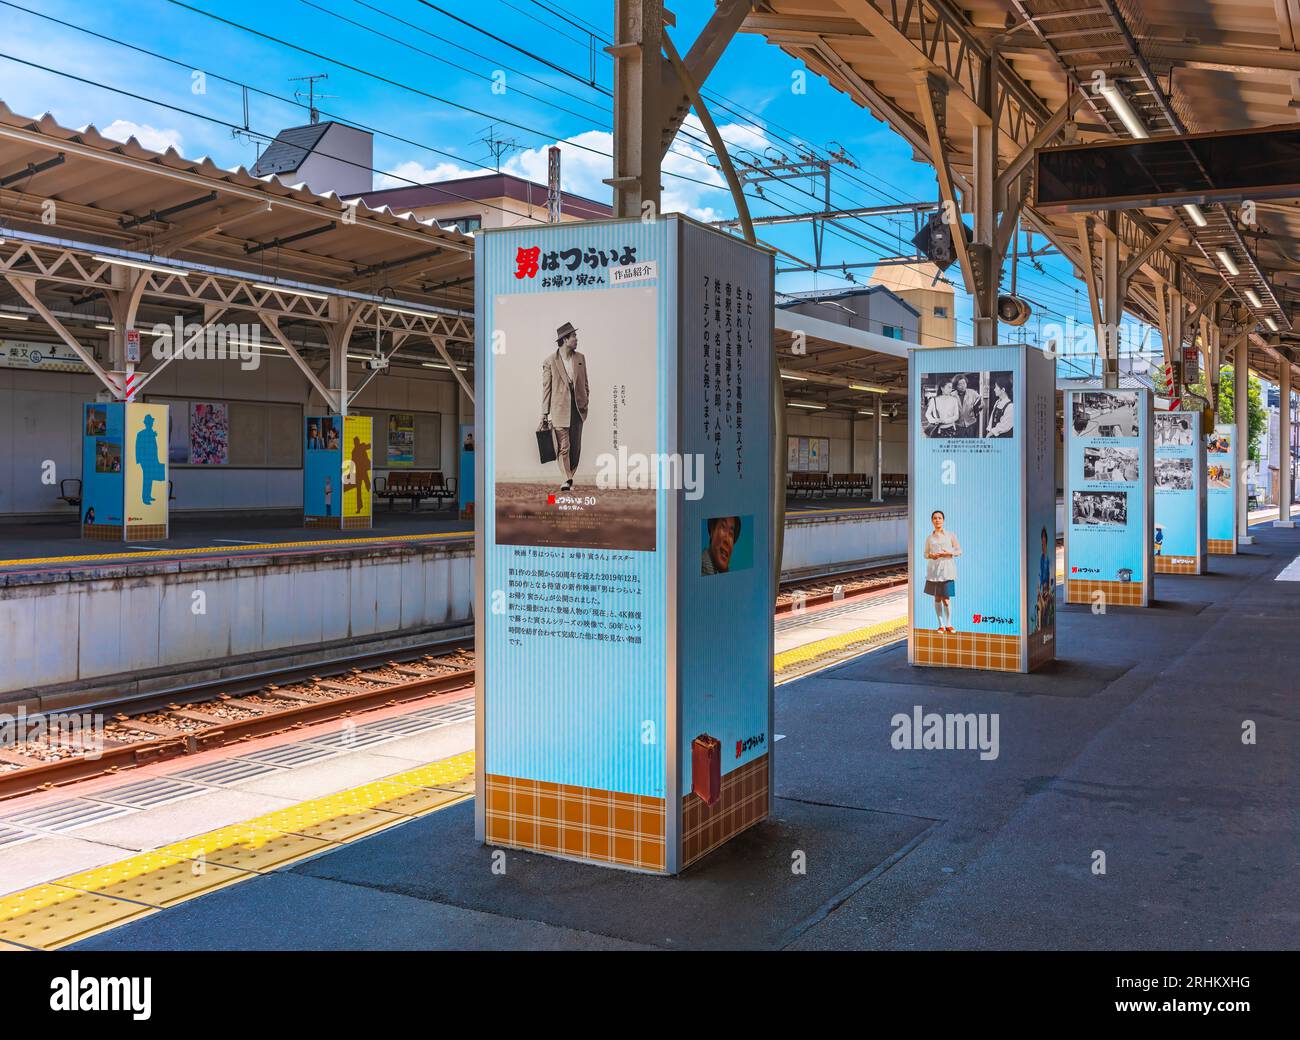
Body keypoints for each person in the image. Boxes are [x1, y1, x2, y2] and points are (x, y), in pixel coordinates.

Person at [540, 320, 589, 492]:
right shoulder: (550, 361)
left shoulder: (580, 358)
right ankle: (566, 479)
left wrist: (585, 400)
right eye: (574, 336)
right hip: (559, 409)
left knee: (576, 448)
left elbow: (585, 384)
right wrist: (544, 413)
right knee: (564, 447)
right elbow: (546, 388)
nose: (576, 339)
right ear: (565, 340)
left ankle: (569, 476)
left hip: (578, 409)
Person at [923, 510, 961, 633]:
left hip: (947, 570)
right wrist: (931, 555)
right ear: (932, 520)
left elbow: (959, 551)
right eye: (935, 518)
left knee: (946, 598)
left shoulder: (950, 535)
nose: (937, 520)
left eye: (939, 518)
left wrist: (948, 553)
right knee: (937, 598)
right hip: (934, 571)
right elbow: (925, 554)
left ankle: (949, 624)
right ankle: (941, 625)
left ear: (943, 520)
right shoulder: (929, 538)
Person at [134, 413, 164, 505]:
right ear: (147, 423)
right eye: (150, 422)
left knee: (150, 478)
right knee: (147, 478)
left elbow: (154, 448)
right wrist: (139, 460)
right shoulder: (141, 433)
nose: (151, 423)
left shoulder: (151, 433)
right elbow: (138, 447)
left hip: (152, 460)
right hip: (146, 461)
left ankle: (148, 496)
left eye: (151, 422)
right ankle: (145, 498)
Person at [349, 435, 371, 513]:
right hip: (360, 472)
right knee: (363, 488)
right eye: (355, 442)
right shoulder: (356, 450)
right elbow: (352, 463)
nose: (356, 443)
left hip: (361, 471)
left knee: (366, 487)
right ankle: (359, 507)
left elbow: (352, 463)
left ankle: (363, 507)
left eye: (356, 441)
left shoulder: (357, 449)